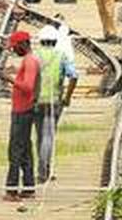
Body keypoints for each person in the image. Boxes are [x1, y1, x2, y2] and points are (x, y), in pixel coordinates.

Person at [33, 25, 79, 182]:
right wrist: (68, 97)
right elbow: (74, 76)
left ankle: (41, 170)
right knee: (49, 135)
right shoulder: (61, 56)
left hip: (37, 101)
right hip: (55, 101)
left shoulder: (34, 56)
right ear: (55, 40)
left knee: (40, 135)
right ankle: (45, 169)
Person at [3, 29, 39, 201]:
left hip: (22, 111)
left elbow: (28, 87)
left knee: (15, 150)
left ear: (24, 44)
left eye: (15, 47)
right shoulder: (29, 60)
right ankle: (29, 186)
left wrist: (9, 79)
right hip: (23, 110)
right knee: (24, 148)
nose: (14, 50)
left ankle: (11, 189)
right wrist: (16, 73)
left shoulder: (30, 61)